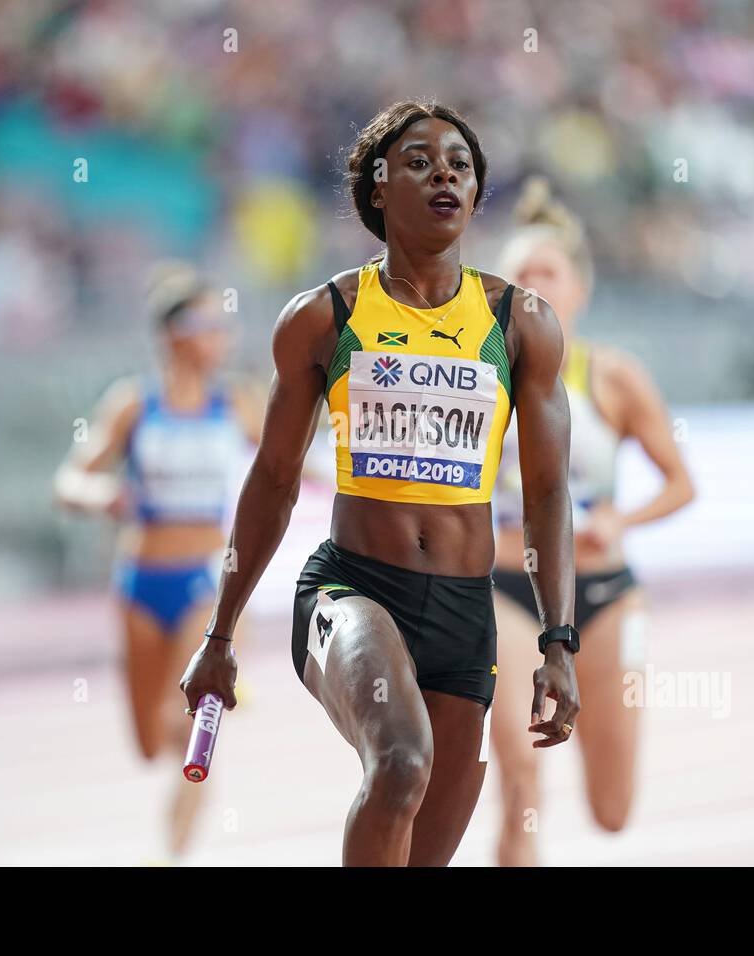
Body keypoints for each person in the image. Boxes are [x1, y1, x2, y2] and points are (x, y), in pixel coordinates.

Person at [180, 101, 581, 867]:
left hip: (465, 615)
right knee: (400, 763)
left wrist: (557, 638)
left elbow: (549, 493)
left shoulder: (521, 322)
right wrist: (221, 635)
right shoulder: (324, 318)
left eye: (460, 165)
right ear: (377, 186)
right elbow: (270, 481)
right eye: (421, 160)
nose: (445, 175)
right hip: (353, 591)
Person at [490, 177, 695, 866]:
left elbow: (682, 483)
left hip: (603, 597)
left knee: (612, 812)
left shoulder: (612, 377)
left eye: (547, 271)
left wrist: (622, 518)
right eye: (519, 275)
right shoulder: (482, 380)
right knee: (518, 766)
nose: (533, 284)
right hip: (505, 591)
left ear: (579, 287)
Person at [54, 263, 262, 860]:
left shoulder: (239, 403)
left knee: (191, 727)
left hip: (209, 581)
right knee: (150, 741)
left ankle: (171, 855)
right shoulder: (133, 403)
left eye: (227, 325)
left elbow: (292, 461)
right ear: (173, 333)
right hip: (142, 580)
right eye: (208, 324)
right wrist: (99, 495)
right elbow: (71, 475)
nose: (222, 337)